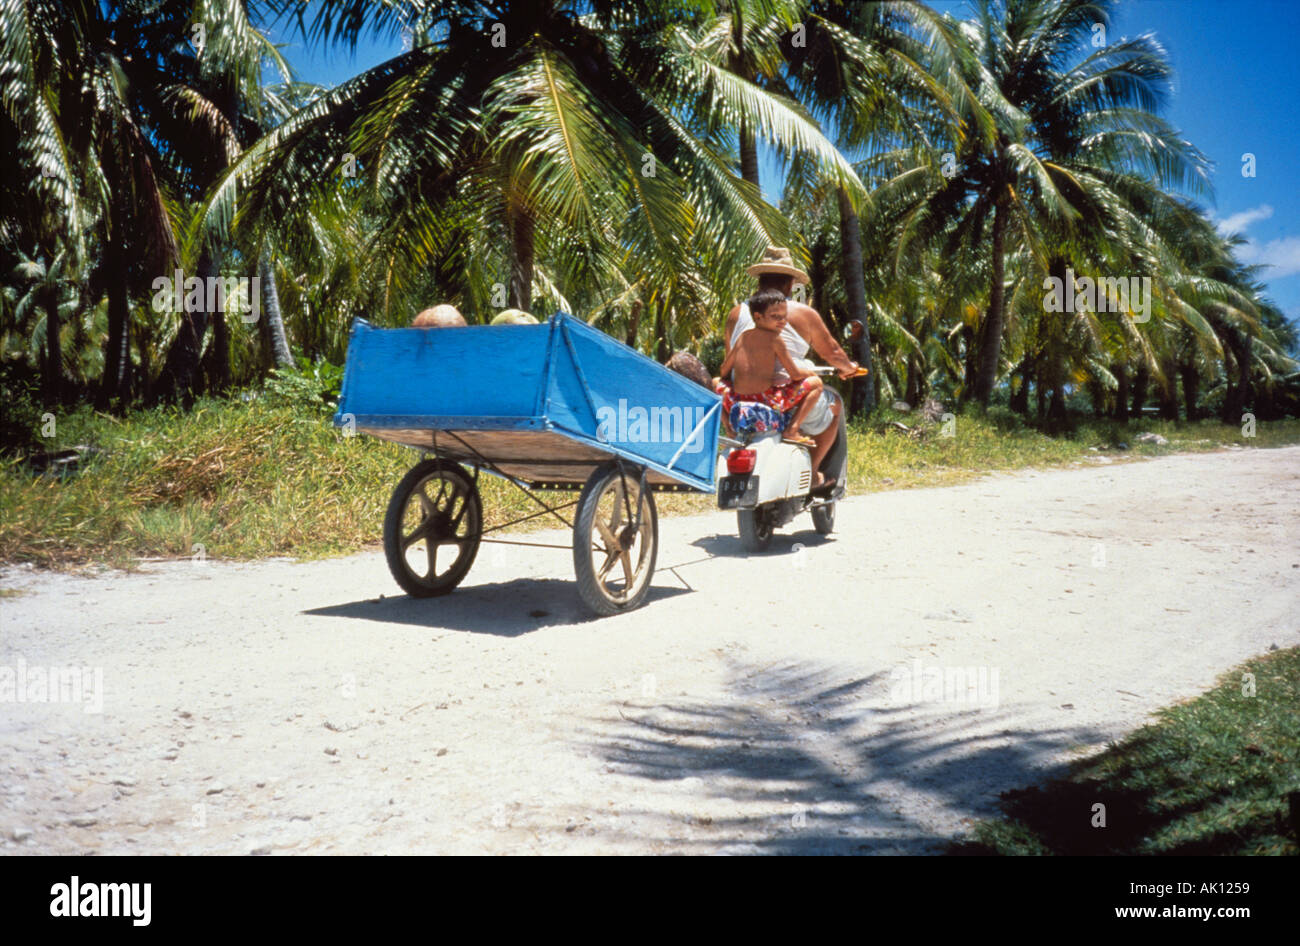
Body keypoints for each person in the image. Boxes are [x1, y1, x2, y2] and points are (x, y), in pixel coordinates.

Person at [724, 247, 859, 479]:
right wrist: (849, 368)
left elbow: (729, 363)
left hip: (741, 398)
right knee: (834, 404)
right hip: (781, 398)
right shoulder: (801, 313)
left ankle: (730, 432)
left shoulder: (736, 313)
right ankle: (814, 474)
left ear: (760, 281)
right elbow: (833, 353)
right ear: (790, 285)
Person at [717, 289, 824, 452]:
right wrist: (810, 373)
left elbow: (724, 370)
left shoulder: (742, 337)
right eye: (776, 317)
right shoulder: (775, 339)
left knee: (714, 382)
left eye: (784, 317)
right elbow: (794, 374)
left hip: (736, 399)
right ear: (758, 317)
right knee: (816, 384)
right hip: (767, 400)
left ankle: (729, 429)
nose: (782, 322)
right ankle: (792, 430)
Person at [845, 319, 872, 417]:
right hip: (853, 375)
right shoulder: (849, 340)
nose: (853, 329)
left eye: (856, 327)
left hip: (862, 376)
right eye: (852, 326)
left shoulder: (862, 342)